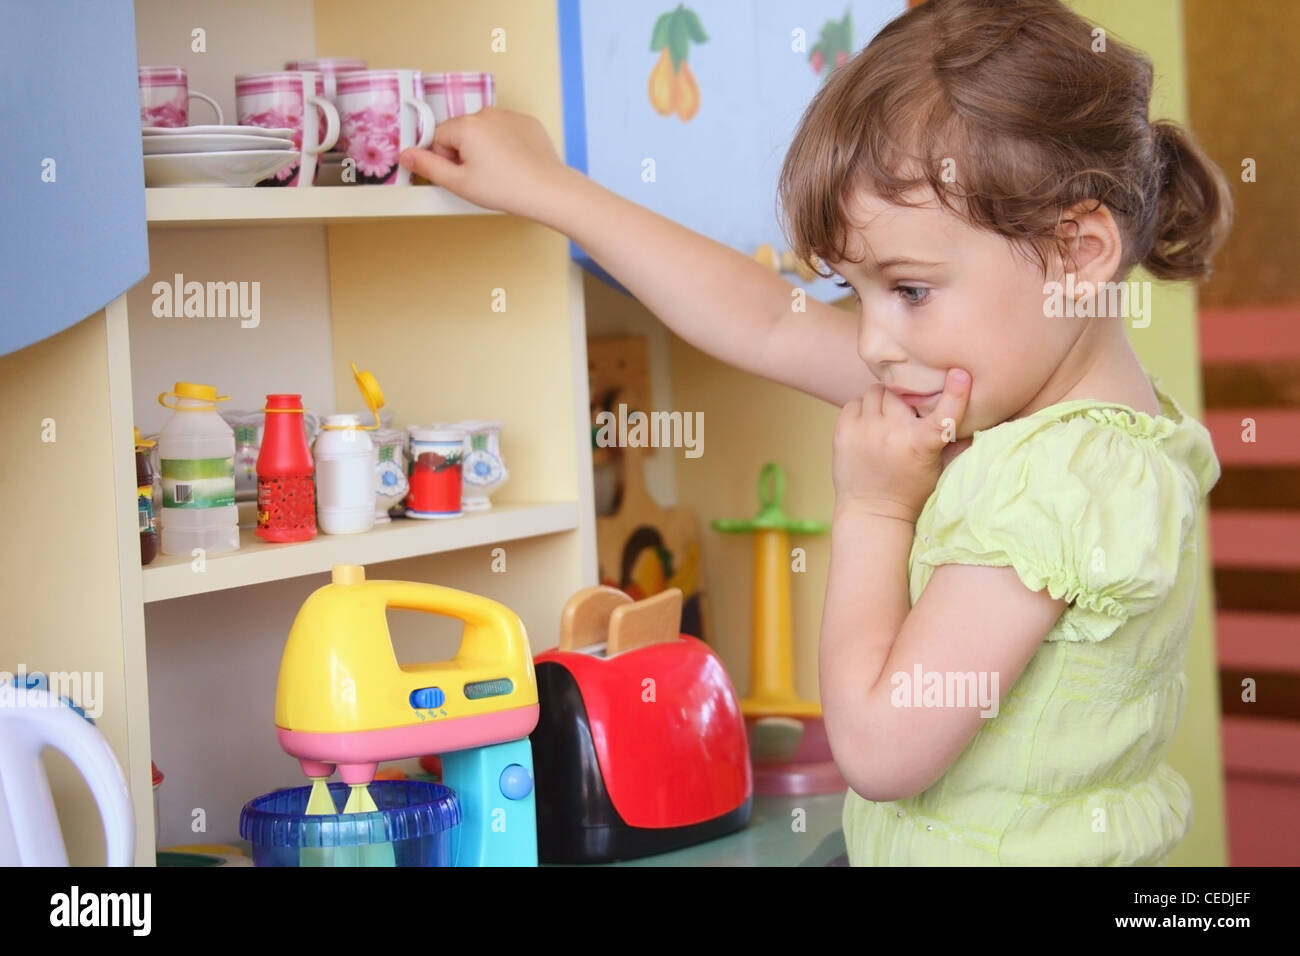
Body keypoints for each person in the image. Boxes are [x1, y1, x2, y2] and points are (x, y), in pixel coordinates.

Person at [399, 0, 1232, 865]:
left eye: (908, 289)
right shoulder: (1017, 407)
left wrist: (872, 511)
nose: (873, 342)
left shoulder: (1057, 477)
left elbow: (878, 751)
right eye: (856, 291)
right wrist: (550, 188)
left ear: (1078, 253)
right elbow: (770, 321)